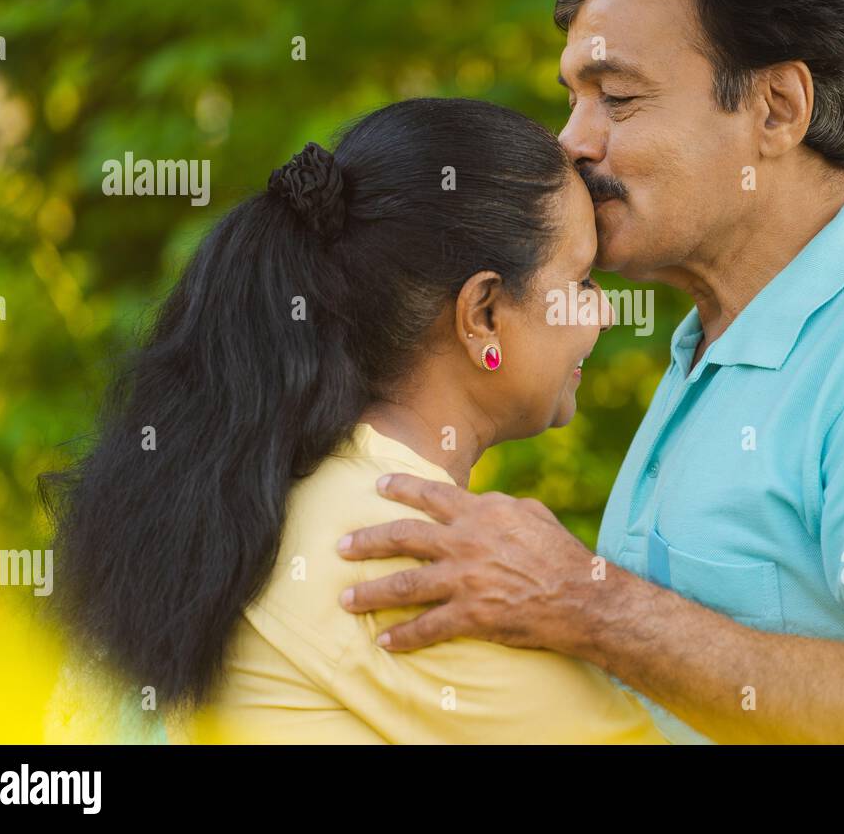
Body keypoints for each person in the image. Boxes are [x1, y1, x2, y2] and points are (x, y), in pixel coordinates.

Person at [337, 0, 844, 744]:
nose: (571, 142)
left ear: (777, 109)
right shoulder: (712, 344)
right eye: (572, 100)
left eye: (616, 97)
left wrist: (587, 600)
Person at [42, 98, 666, 743]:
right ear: (481, 313)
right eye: (583, 281)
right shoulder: (404, 551)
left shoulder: (279, 483)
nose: (607, 315)